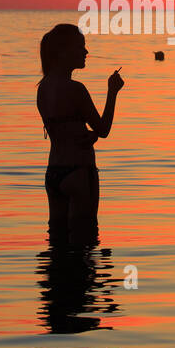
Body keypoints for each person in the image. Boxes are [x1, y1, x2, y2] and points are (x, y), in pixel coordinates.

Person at [36, 24, 124, 241]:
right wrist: (112, 92)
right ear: (64, 52)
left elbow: (63, 129)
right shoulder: (76, 89)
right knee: (85, 240)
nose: (86, 52)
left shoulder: (43, 87)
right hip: (78, 173)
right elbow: (103, 130)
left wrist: (89, 135)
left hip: (54, 174)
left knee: (57, 246)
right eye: (80, 47)